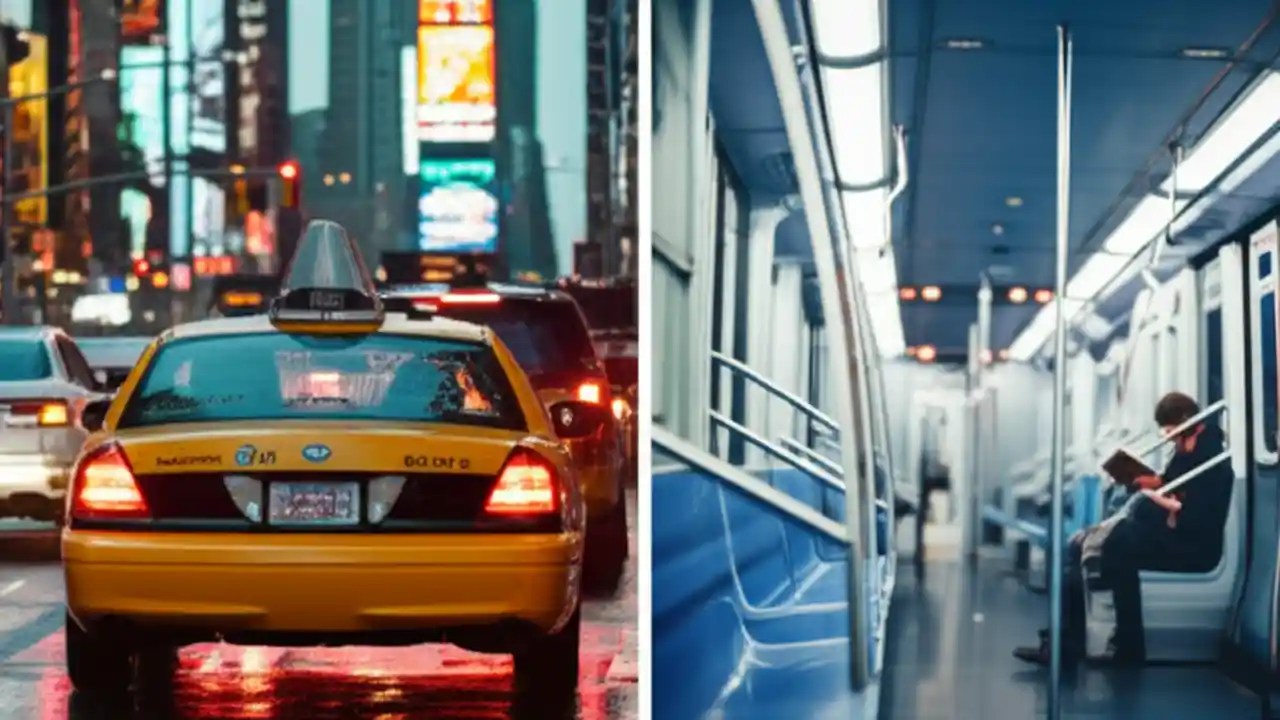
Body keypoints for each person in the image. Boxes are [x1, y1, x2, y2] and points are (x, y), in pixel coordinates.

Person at [1014, 391, 1233, 665]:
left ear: (1188, 422)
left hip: (1191, 542)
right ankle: (1074, 641)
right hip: (1174, 530)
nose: (1171, 438)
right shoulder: (1186, 450)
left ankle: (1117, 644)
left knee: (1116, 545)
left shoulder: (1211, 459)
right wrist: (1148, 483)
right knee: (1092, 544)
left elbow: (1192, 511)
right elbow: (1172, 483)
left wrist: (1158, 500)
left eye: (1172, 431)